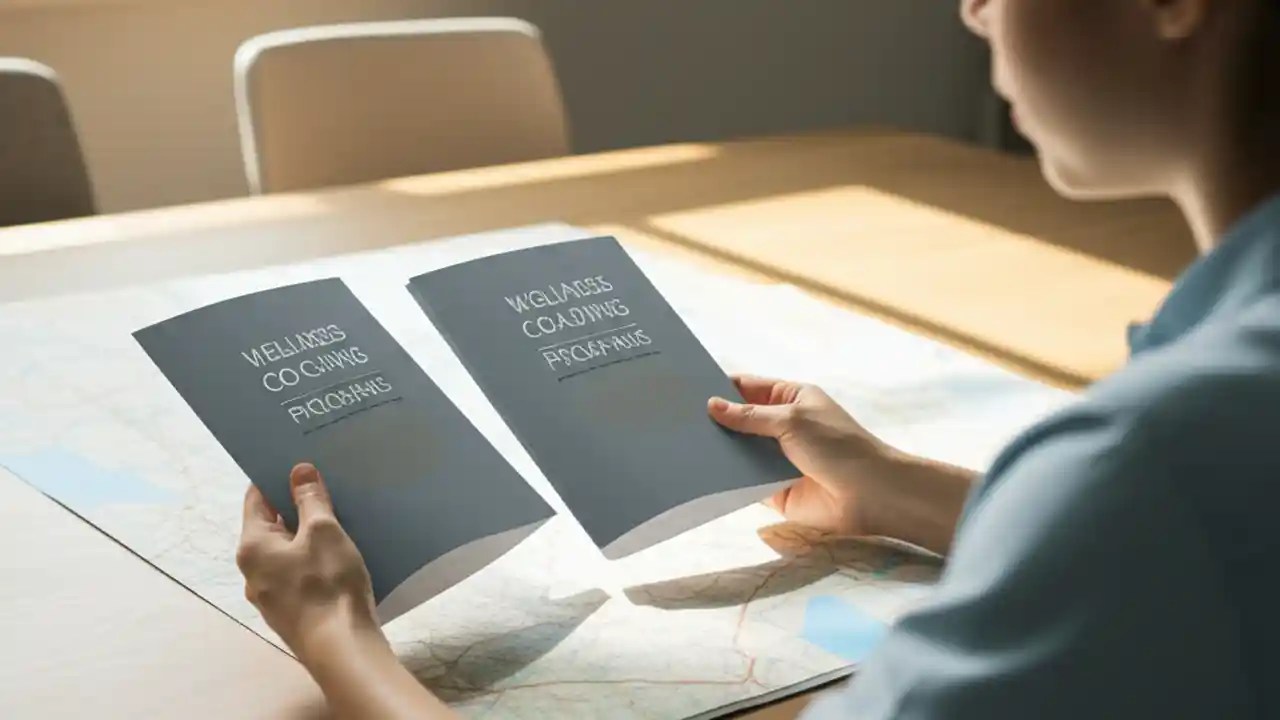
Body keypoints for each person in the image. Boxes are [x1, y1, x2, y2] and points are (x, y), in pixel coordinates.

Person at [235, 0, 1280, 716]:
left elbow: (1163, 504)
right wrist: (898, 490)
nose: (970, 12)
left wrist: (340, 640)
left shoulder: (1150, 456)